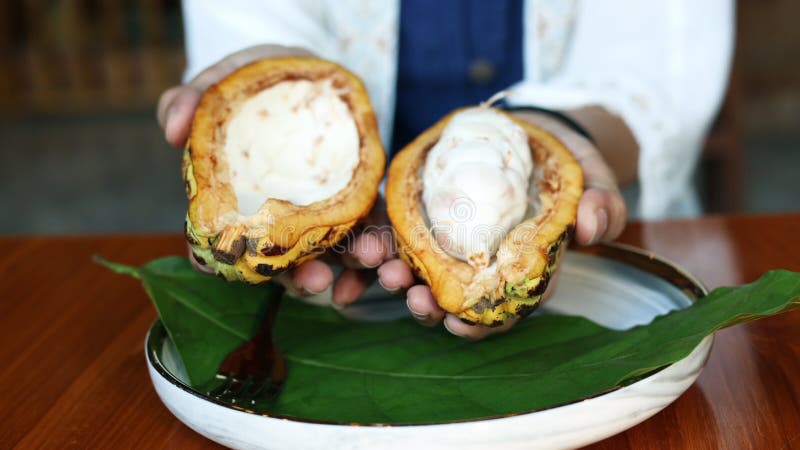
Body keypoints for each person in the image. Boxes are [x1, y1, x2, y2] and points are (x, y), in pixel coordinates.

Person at [157, 0, 733, 339]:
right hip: (322, 303)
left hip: (618, 289)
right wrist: (272, 59)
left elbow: (662, 54)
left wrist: (572, 131)